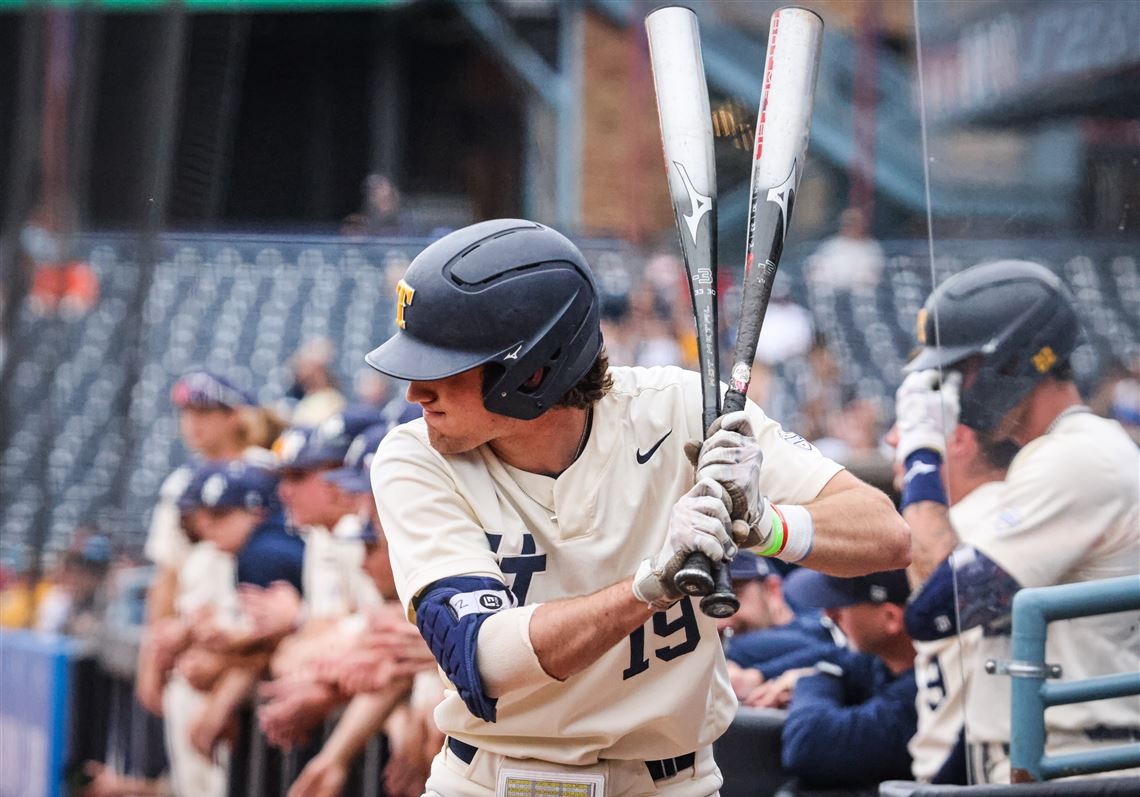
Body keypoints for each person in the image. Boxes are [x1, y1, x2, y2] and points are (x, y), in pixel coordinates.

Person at [365, 218, 909, 796]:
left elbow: (886, 534)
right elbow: (480, 658)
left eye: (442, 369)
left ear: (532, 370)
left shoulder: (680, 409)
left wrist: (766, 524)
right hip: (486, 778)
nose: (414, 392)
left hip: (667, 783)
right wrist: (650, 585)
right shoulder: (413, 456)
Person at [896, 260, 1140, 784]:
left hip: (1072, 762)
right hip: (1041, 756)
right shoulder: (1048, 459)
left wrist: (921, 460)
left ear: (1014, 361)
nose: (954, 391)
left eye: (961, 372)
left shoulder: (1079, 457)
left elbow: (942, 609)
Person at [886, 410, 1012, 784]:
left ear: (958, 439)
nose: (895, 439)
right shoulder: (966, 515)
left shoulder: (992, 510)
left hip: (976, 776)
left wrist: (920, 462)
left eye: (906, 425)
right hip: (957, 770)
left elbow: (940, 587)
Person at [137, 370, 272, 717]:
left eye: (206, 412)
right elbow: (168, 576)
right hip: (190, 650)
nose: (194, 423)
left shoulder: (268, 471)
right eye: (188, 412)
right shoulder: (179, 483)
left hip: (249, 649)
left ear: (234, 415)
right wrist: (151, 660)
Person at [776, 569, 918, 790]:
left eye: (841, 604)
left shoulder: (919, 694)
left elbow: (808, 745)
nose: (828, 614)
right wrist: (759, 674)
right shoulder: (884, 660)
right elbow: (837, 659)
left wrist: (811, 681)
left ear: (890, 618)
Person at [719, 553, 840, 706]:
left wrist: (757, 675)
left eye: (732, 596)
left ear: (772, 589)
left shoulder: (818, 616)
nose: (720, 622)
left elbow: (840, 652)